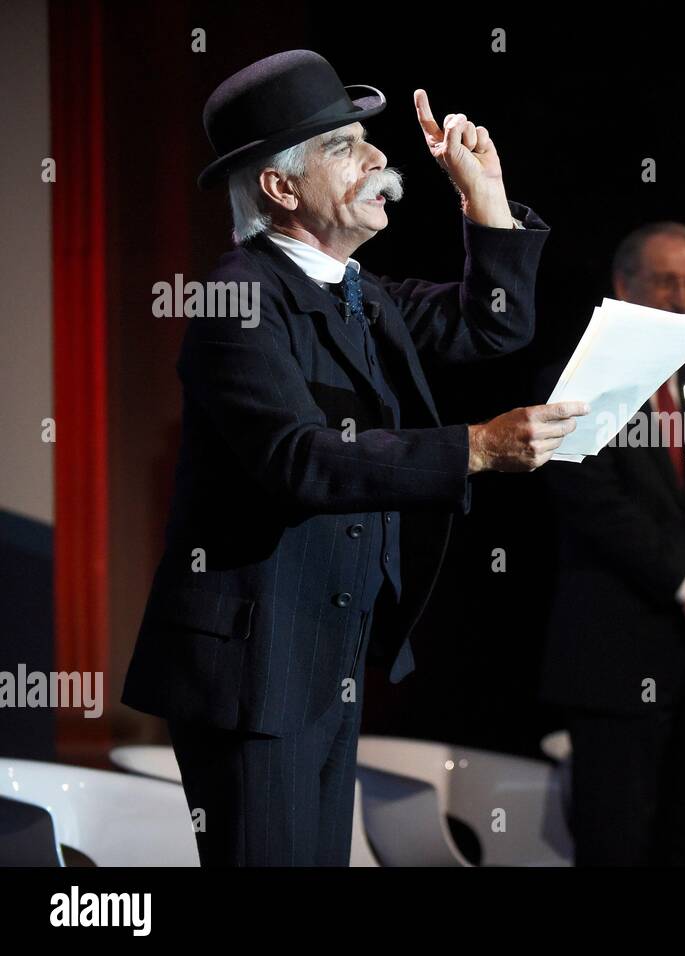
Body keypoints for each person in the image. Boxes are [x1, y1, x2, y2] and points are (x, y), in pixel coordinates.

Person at [121, 50, 587, 866]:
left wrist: (484, 199)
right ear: (281, 187)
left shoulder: (359, 291)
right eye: (344, 146)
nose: (379, 158)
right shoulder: (237, 300)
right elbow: (299, 460)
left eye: (366, 138)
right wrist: (475, 449)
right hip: (251, 676)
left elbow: (494, 325)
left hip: (322, 660)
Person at [538, 222, 685, 866]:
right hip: (614, 663)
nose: (682, 296)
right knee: (615, 847)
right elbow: (595, 507)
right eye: (666, 281)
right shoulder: (578, 384)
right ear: (622, 286)